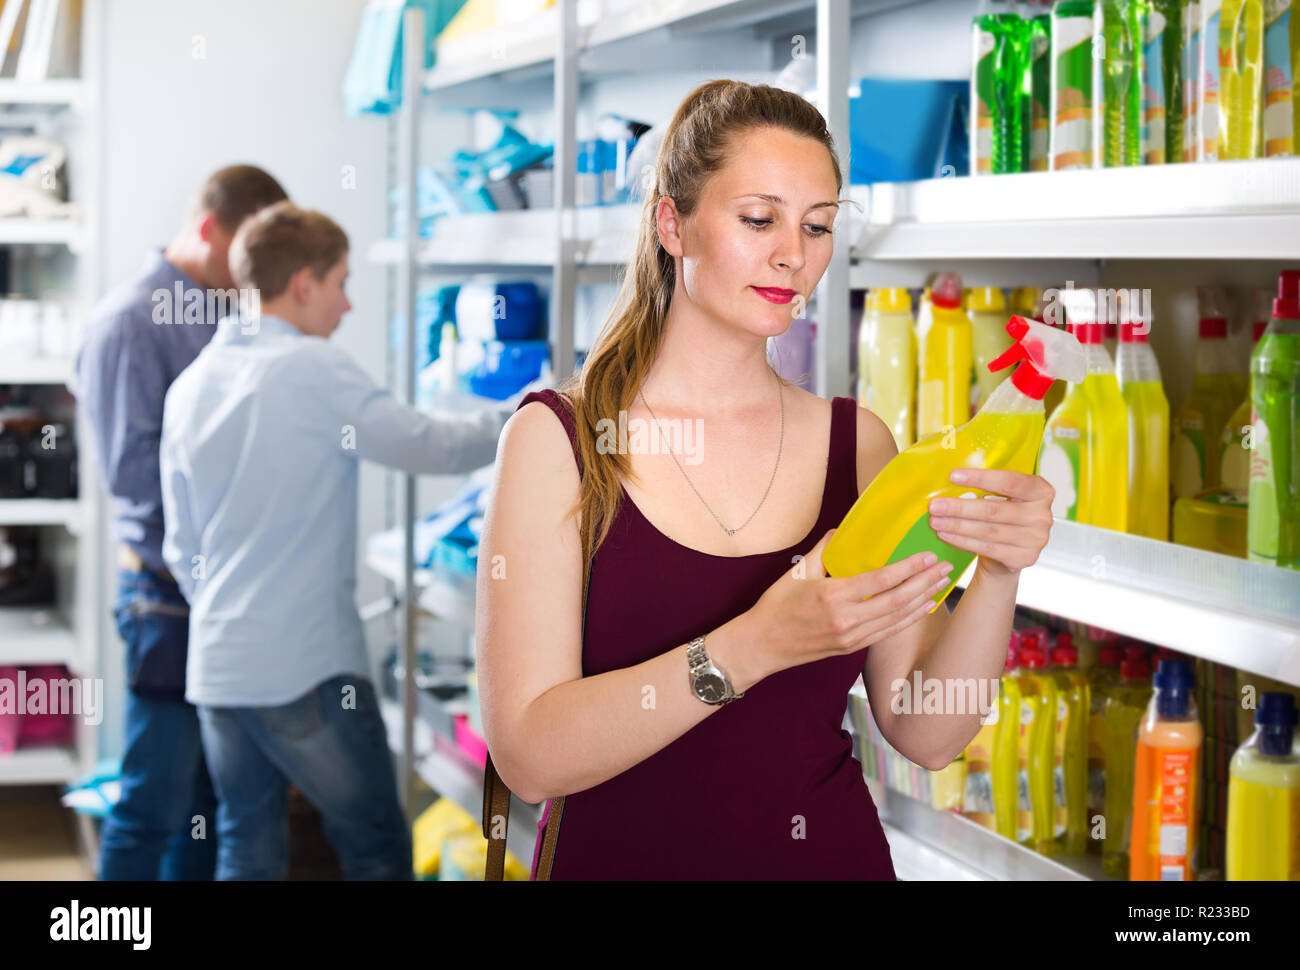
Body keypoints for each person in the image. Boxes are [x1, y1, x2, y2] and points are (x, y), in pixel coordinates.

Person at [476, 80, 1056, 880]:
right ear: (672, 224)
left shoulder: (855, 445)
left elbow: (924, 731)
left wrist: (997, 570)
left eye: (817, 227)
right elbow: (529, 759)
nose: (795, 253)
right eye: (759, 219)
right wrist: (750, 647)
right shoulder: (559, 442)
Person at [159, 202, 522, 880]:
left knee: (245, 842)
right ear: (302, 284)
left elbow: (180, 549)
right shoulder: (311, 369)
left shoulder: (191, 385)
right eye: (341, 282)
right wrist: (535, 408)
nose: (348, 303)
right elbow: (432, 445)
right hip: (305, 669)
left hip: (217, 667)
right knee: (375, 845)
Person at [75, 165, 289, 881]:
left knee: (205, 803)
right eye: (251, 246)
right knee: (153, 802)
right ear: (209, 229)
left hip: (222, 599)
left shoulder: (223, 317)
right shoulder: (131, 322)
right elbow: (136, 484)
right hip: (167, 600)